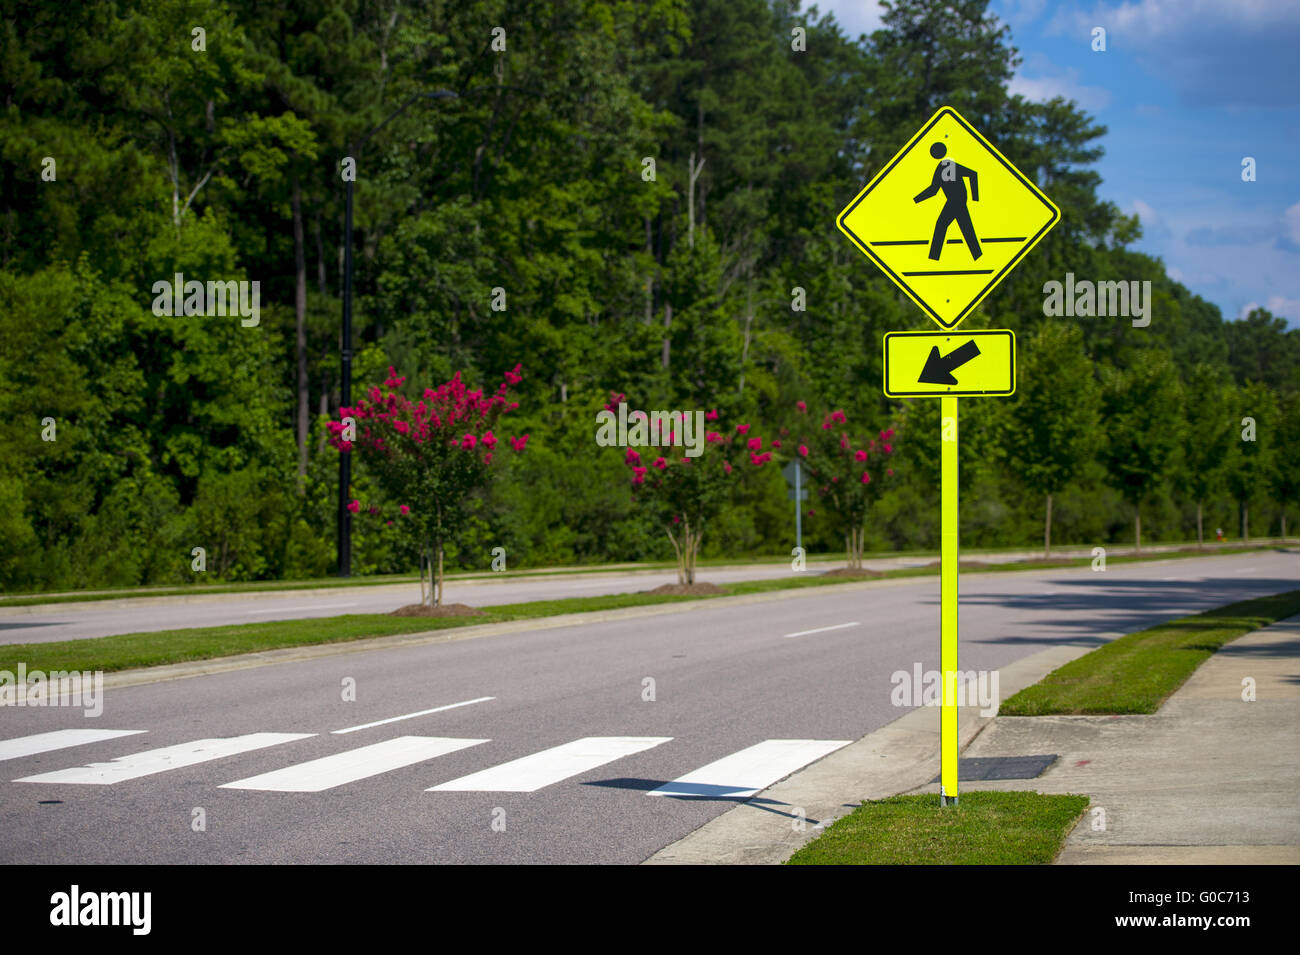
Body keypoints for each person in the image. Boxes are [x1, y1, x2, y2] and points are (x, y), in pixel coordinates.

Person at [913, 142, 981, 261]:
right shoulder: (943, 166)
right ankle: (978, 256)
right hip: (956, 201)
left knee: (941, 225)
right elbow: (934, 190)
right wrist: (916, 200)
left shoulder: (947, 165)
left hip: (955, 201)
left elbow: (973, 174)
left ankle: (933, 258)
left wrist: (975, 197)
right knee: (966, 228)